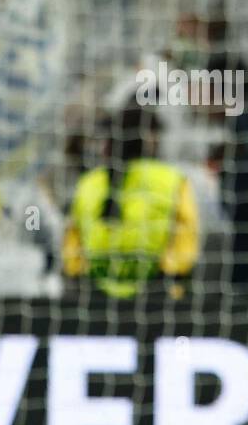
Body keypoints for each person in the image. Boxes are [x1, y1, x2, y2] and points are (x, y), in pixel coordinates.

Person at [63, 105, 199, 299]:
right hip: (157, 300)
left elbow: (72, 253)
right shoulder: (173, 181)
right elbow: (185, 244)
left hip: (94, 300)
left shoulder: (88, 183)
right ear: (150, 138)